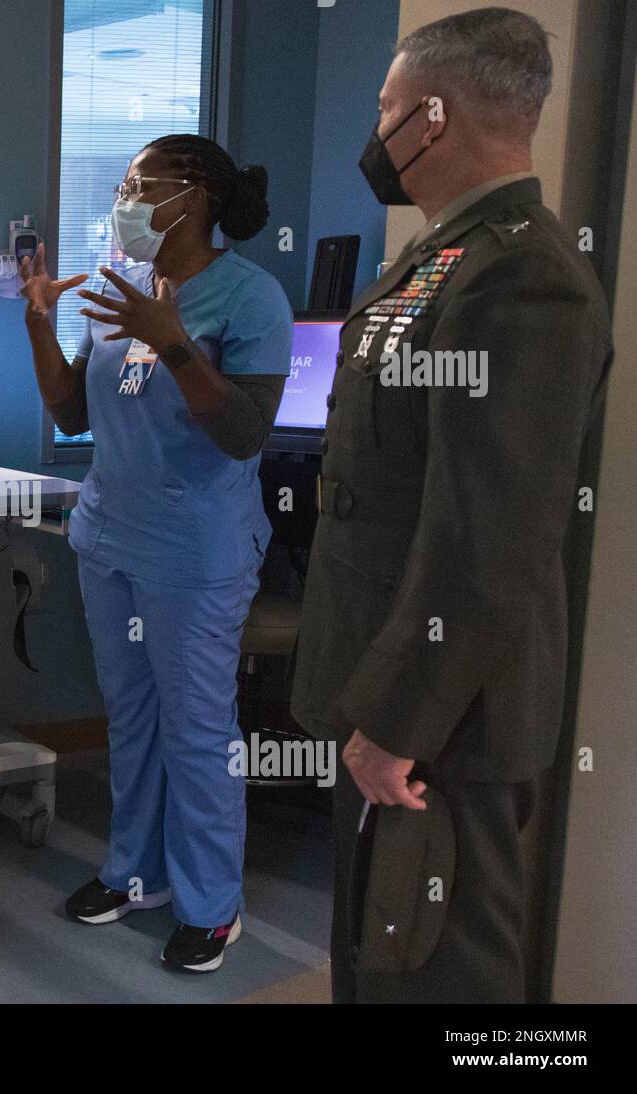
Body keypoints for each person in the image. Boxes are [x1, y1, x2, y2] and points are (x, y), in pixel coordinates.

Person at [290, 8, 613, 1003]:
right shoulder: (436, 257)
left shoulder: (520, 275)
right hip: (383, 680)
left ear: (431, 115)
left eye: (387, 107)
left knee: (439, 973)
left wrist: (397, 718)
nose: (376, 129)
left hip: (445, 720)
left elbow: (491, 537)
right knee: (375, 958)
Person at [21, 135, 292, 971]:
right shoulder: (125, 287)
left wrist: (175, 344)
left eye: (142, 185)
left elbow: (245, 435)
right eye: (124, 186)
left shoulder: (251, 299)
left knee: (198, 726)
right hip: (110, 540)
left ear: (198, 194)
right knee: (130, 714)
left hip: (194, 551)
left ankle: (212, 905)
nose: (126, 200)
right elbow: (72, 414)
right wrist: (38, 326)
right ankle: (134, 872)